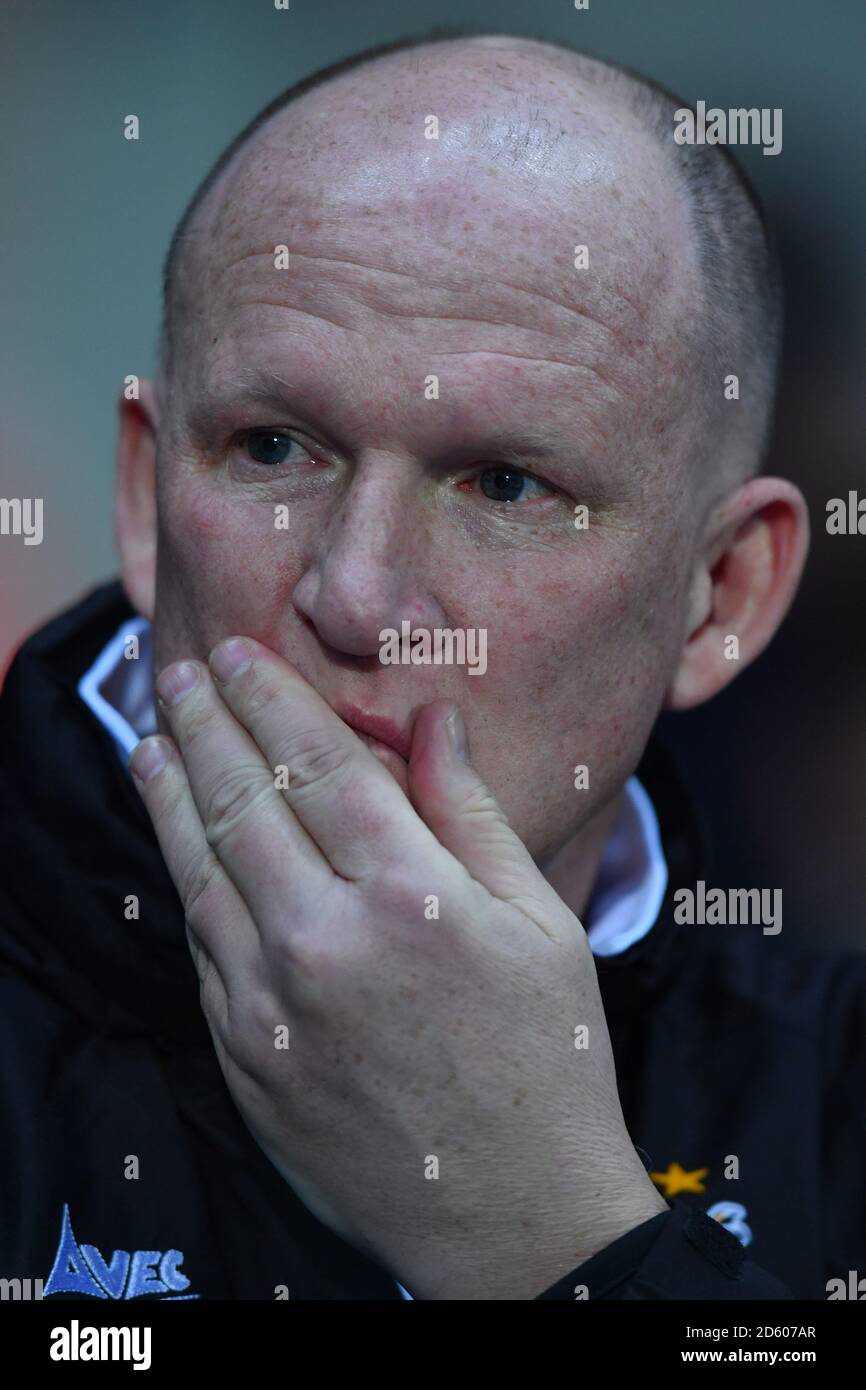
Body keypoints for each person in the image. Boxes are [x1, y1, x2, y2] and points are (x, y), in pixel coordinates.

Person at [1, 31, 862, 1302]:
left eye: (506, 483)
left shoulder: (834, 1093)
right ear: (142, 494)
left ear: (718, 595)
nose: (353, 595)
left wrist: (547, 1236)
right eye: (274, 446)